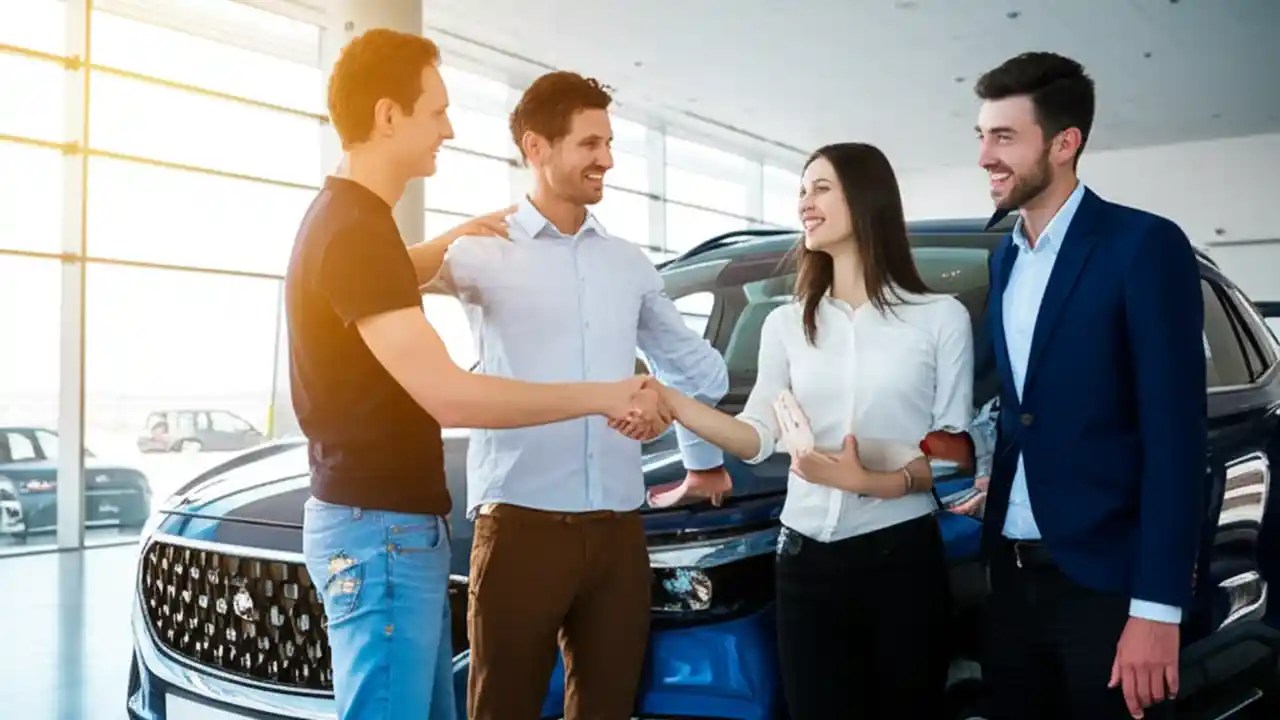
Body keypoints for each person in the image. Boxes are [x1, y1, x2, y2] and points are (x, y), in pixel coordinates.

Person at [283, 31, 666, 720]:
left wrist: (452, 240)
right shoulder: (355, 231)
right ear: (388, 116)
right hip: (380, 534)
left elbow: (373, 278)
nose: (449, 129)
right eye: (436, 112)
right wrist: (603, 396)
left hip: (391, 529)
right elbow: (451, 396)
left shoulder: (352, 223)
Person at [621, 142, 975, 719]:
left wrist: (873, 481)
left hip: (900, 559)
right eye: (801, 191)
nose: (805, 203)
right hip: (804, 560)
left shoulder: (940, 318)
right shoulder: (786, 323)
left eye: (821, 188)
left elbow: (954, 449)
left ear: (867, 198)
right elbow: (758, 435)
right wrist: (672, 401)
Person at [418, 70, 732, 720]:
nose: (607, 159)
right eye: (590, 143)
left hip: (618, 533)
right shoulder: (481, 252)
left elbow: (699, 372)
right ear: (536, 148)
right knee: (501, 709)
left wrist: (688, 437)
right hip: (520, 527)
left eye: (609, 143)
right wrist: (452, 237)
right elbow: (368, 275)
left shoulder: (627, 263)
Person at [971, 52, 1206, 720]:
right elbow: (1027, 409)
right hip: (1010, 578)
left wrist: (1156, 608)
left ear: (1064, 142)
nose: (985, 156)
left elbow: (1175, 438)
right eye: (981, 136)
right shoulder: (1006, 257)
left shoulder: (1143, 245)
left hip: (1107, 584)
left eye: (1004, 137)